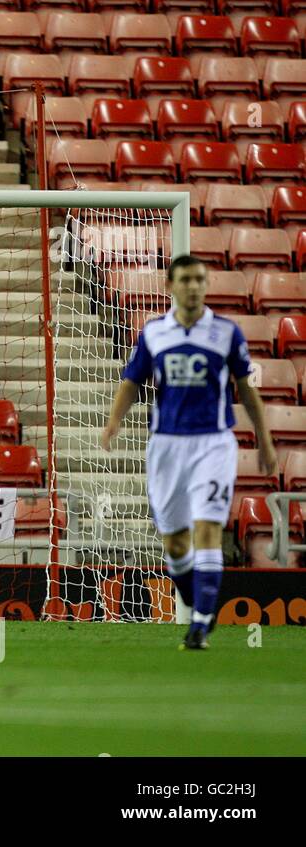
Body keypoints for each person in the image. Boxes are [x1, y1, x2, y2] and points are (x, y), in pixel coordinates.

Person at [101, 255, 276, 650]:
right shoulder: (153, 334)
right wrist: (113, 422)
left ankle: (198, 625)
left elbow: (246, 389)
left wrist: (264, 440)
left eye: (200, 279)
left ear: (206, 283)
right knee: (176, 543)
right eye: (185, 279)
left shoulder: (226, 333)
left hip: (213, 443)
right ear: (170, 285)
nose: (193, 286)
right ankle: (202, 603)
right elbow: (132, 381)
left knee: (208, 529)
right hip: (166, 446)